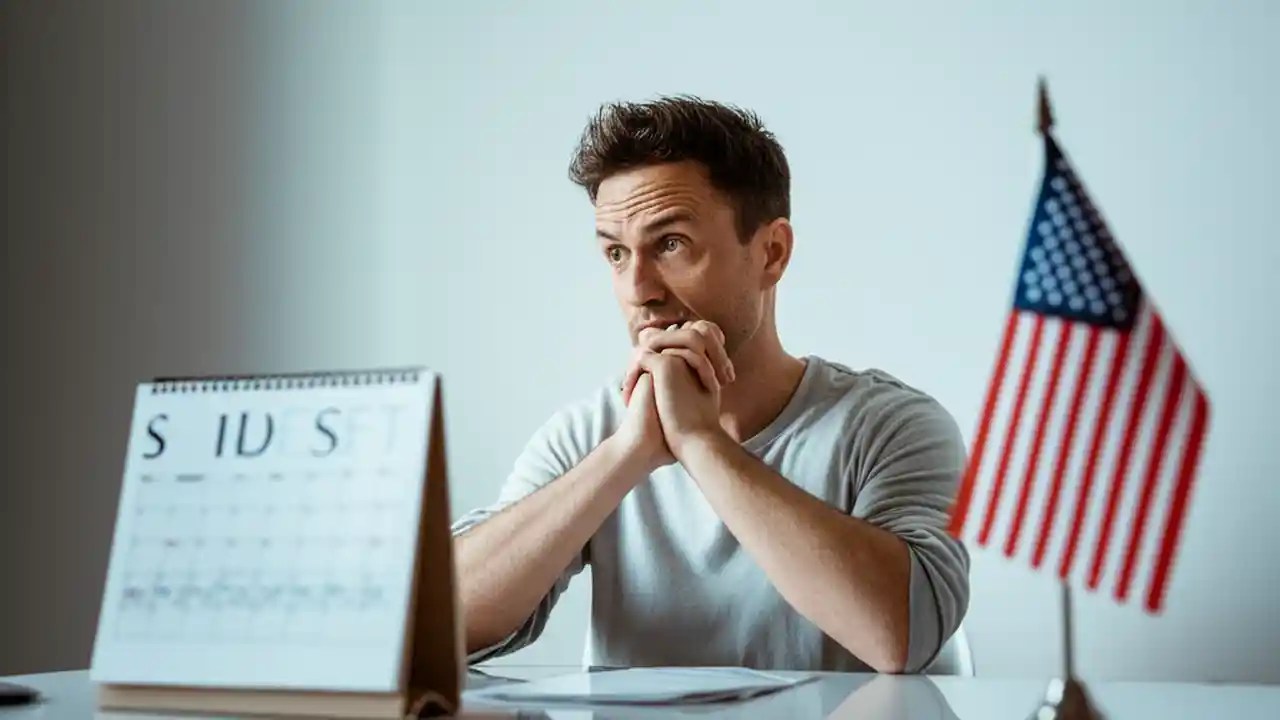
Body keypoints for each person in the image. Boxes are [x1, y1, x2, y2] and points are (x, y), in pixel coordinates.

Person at [451, 95, 969, 674]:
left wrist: (701, 444)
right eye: (617, 254)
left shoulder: (891, 426)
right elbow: (436, 627)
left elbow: (901, 637)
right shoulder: (589, 435)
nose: (638, 289)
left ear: (771, 253)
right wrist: (627, 455)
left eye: (671, 244)